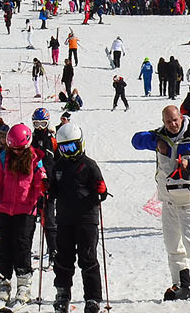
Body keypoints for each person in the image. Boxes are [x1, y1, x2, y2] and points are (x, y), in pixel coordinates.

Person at [131, 104, 190, 301]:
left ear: (181, 118)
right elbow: (135, 141)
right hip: (168, 200)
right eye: (168, 121)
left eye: (175, 120)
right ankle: (182, 284)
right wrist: (155, 140)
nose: (172, 125)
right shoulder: (160, 136)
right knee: (173, 245)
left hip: (189, 199)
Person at [0, 121, 48, 312]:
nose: (18, 152)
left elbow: (41, 182)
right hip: (5, 209)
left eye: (21, 149)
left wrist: (41, 197)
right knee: (4, 247)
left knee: (22, 247)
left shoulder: (34, 159)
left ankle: (24, 287)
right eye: (14, 148)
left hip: (25, 210)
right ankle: (3, 285)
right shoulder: (4, 157)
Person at [50, 122, 107, 313]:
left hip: (86, 219)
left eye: (72, 147)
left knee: (88, 258)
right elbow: (53, 192)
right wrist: (46, 189)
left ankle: (92, 298)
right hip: (65, 218)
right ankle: (62, 293)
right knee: (63, 258)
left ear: (81, 144)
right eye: (64, 148)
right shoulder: (58, 166)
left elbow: (101, 192)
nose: (69, 152)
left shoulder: (89, 165)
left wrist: (102, 190)